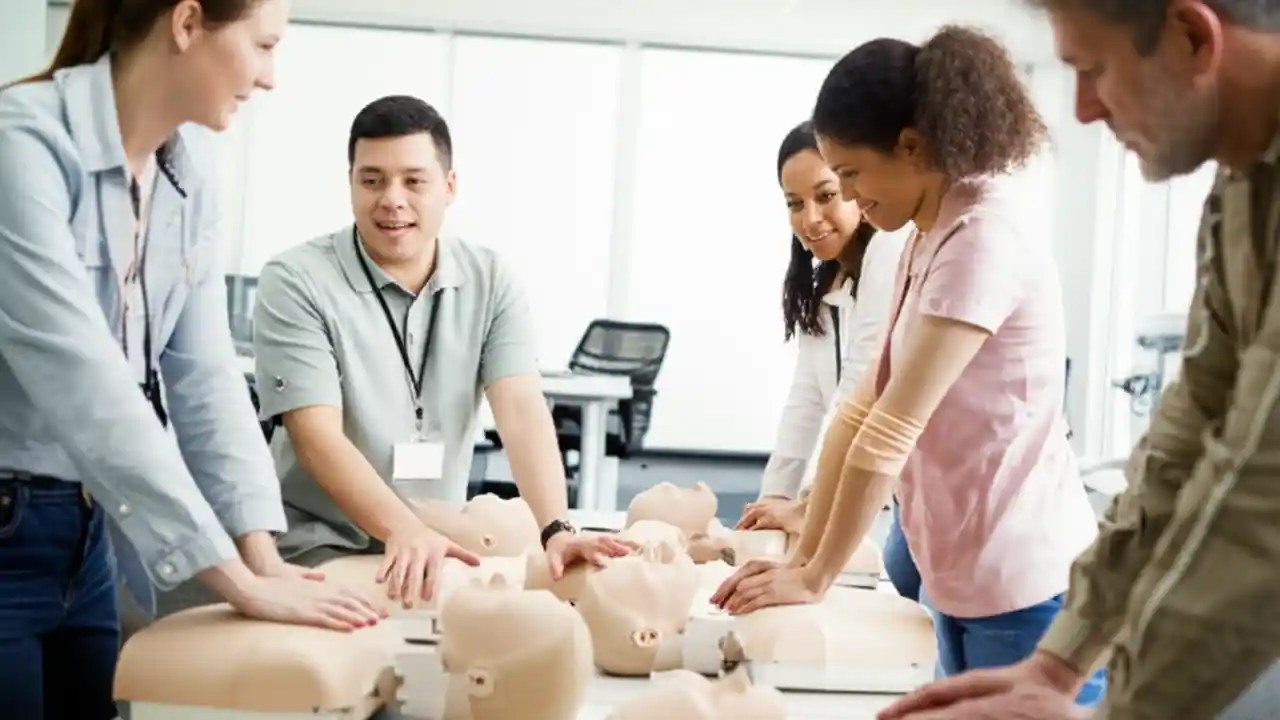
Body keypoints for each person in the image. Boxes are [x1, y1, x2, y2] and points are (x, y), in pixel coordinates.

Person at [877, 2, 1280, 719]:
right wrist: (1059, 663)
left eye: (1093, 70)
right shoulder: (1242, 190)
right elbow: (1183, 443)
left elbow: (1260, 493)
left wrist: (1116, 710)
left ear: (1192, 37)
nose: (1085, 110)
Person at [0, 0, 386, 717]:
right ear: (186, 24)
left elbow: (204, 373)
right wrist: (233, 579)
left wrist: (261, 554)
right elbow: (84, 380)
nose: (270, 77)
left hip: (89, 532)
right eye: (263, 45)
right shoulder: (21, 144)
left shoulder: (190, 169)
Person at [710, 26, 1105, 701]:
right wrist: (805, 558)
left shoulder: (983, 234)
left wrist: (815, 576)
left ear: (913, 147)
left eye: (852, 176)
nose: (851, 197)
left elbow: (893, 426)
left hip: (1028, 584)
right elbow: (858, 407)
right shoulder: (927, 231)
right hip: (961, 570)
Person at [252, 94, 631, 607]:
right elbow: (317, 437)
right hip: (319, 546)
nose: (392, 198)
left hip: (435, 541)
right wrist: (404, 530)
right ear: (350, 185)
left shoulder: (490, 279)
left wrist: (557, 529)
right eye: (372, 179)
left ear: (448, 187)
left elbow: (521, 411)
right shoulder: (296, 280)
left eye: (414, 180)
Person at [734, 120, 920, 601]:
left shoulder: (889, 253)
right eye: (794, 204)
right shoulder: (826, 289)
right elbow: (806, 403)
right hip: (903, 506)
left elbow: (860, 392)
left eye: (826, 195)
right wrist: (773, 501)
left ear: (856, 188)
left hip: (924, 496)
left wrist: (811, 507)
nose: (809, 218)